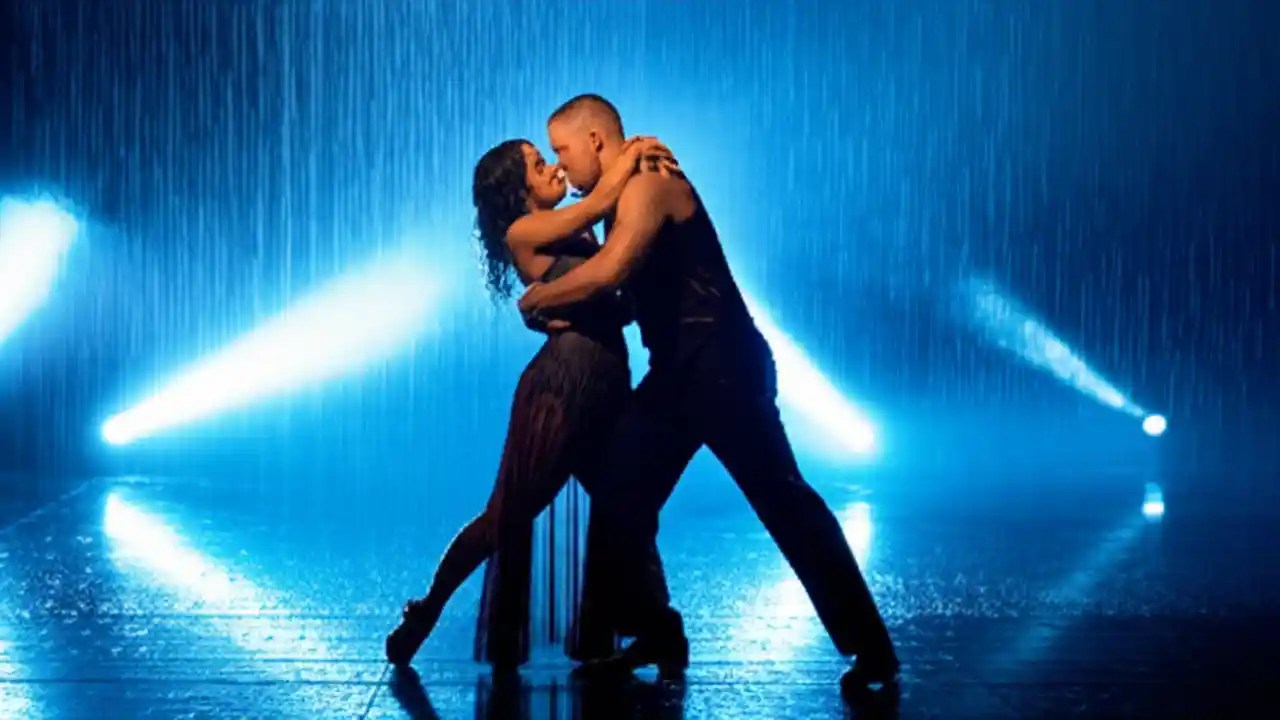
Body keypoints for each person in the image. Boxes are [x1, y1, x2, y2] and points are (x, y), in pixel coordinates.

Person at [519, 94, 900, 687]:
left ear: (596, 140)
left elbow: (613, 270)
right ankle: (655, 632)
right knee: (620, 491)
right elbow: (624, 293)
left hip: (724, 369)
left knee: (786, 503)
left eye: (562, 150)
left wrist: (540, 299)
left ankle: (873, 649)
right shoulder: (620, 191)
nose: (559, 166)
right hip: (677, 376)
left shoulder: (649, 182)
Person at [385, 134, 681, 671]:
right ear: (518, 192)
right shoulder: (526, 230)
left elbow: (612, 292)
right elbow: (596, 201)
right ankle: (426, 612)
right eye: (539, 165)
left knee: (631, 503)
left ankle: (659, 628)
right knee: (505, 518)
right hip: (563, 389)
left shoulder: (575, 228)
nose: (553, 169)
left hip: (605, 380)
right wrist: (632, 155)